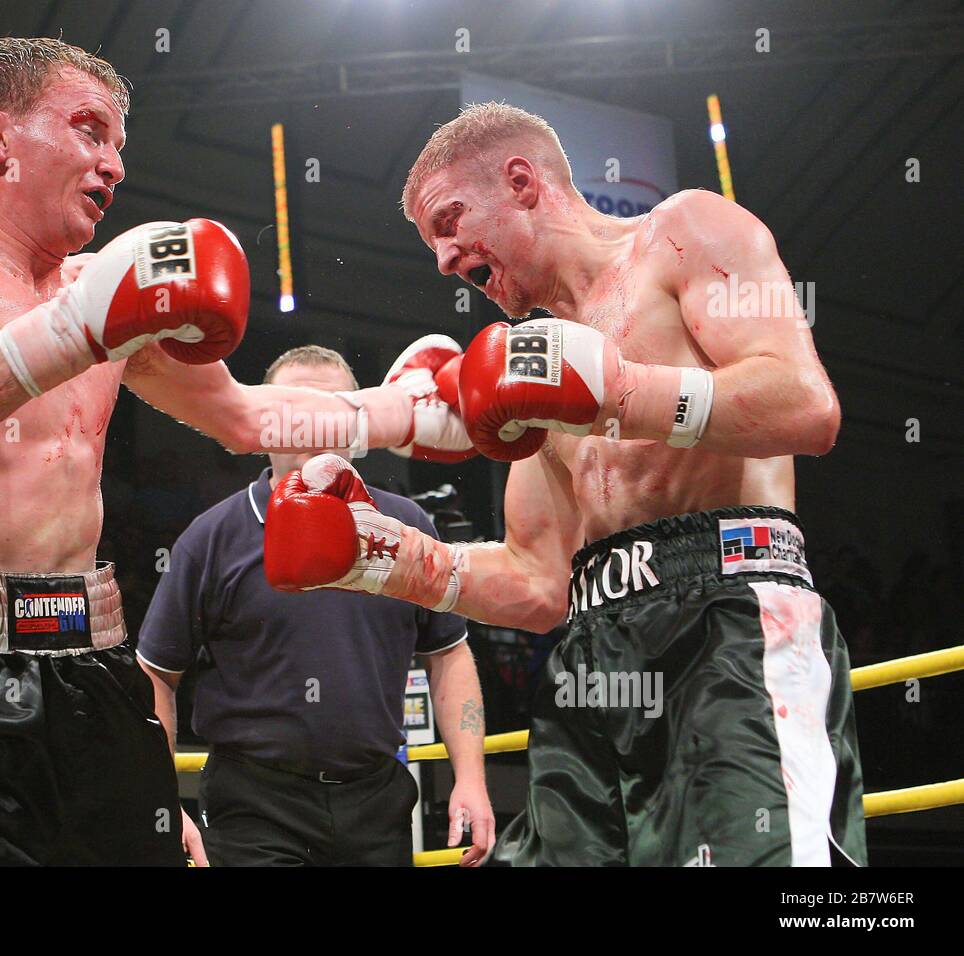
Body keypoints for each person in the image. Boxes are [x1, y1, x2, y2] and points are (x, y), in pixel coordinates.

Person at [0, 36, 469, 866]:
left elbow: (245, 418)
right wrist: (75, 327)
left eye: (119, 146)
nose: (114, 166)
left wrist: (400, 413)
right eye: (90, 131)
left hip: (93, 667)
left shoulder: (102, 290)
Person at [265, 103, 866, 867]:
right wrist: (383, 558)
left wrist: (617, 393)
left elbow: (806, 407)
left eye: (451, 222)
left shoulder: (684, 233)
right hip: (594, 652)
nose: (446, 259)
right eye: (433, 245)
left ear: (522, 182)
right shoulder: (529, 365)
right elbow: (540, 580)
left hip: (732, 623)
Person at [138, 345, 494, 867]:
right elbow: (156, 673)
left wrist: (471, 777)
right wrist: (163, 797)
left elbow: (450, 654)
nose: (314, 427)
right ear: (266, 424)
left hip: (376, 799)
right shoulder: (211, 537)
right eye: (297, 409)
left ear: (358, 422)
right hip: (255, 802)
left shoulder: (405, 524)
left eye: (330, 411)